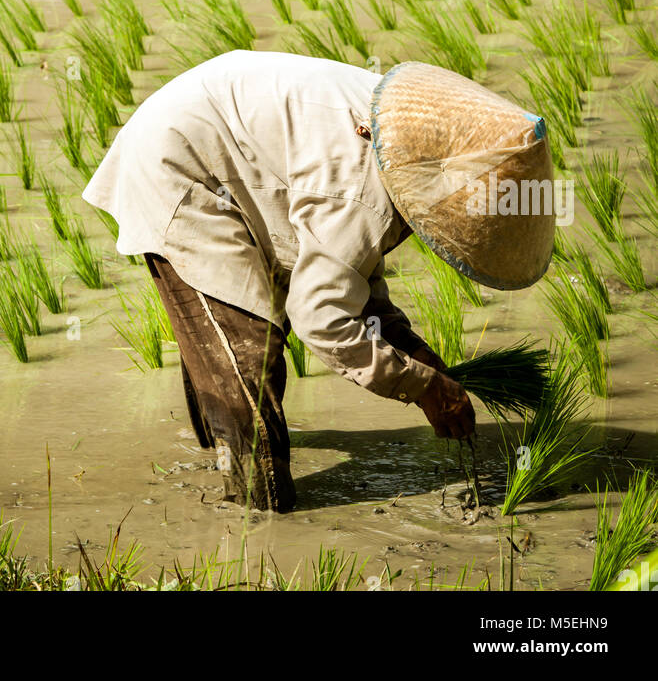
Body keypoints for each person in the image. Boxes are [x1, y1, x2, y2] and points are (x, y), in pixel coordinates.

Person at [83, 51, 556, 513]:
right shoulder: (364, 190)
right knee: (246, 340)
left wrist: (420, 358)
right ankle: (255, 505)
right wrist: (422, 388)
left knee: (230, 334)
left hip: (218, 127)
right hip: (179, 160)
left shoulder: (411, 145)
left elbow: (352, 287)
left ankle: (216, 448)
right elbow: (322, 319)